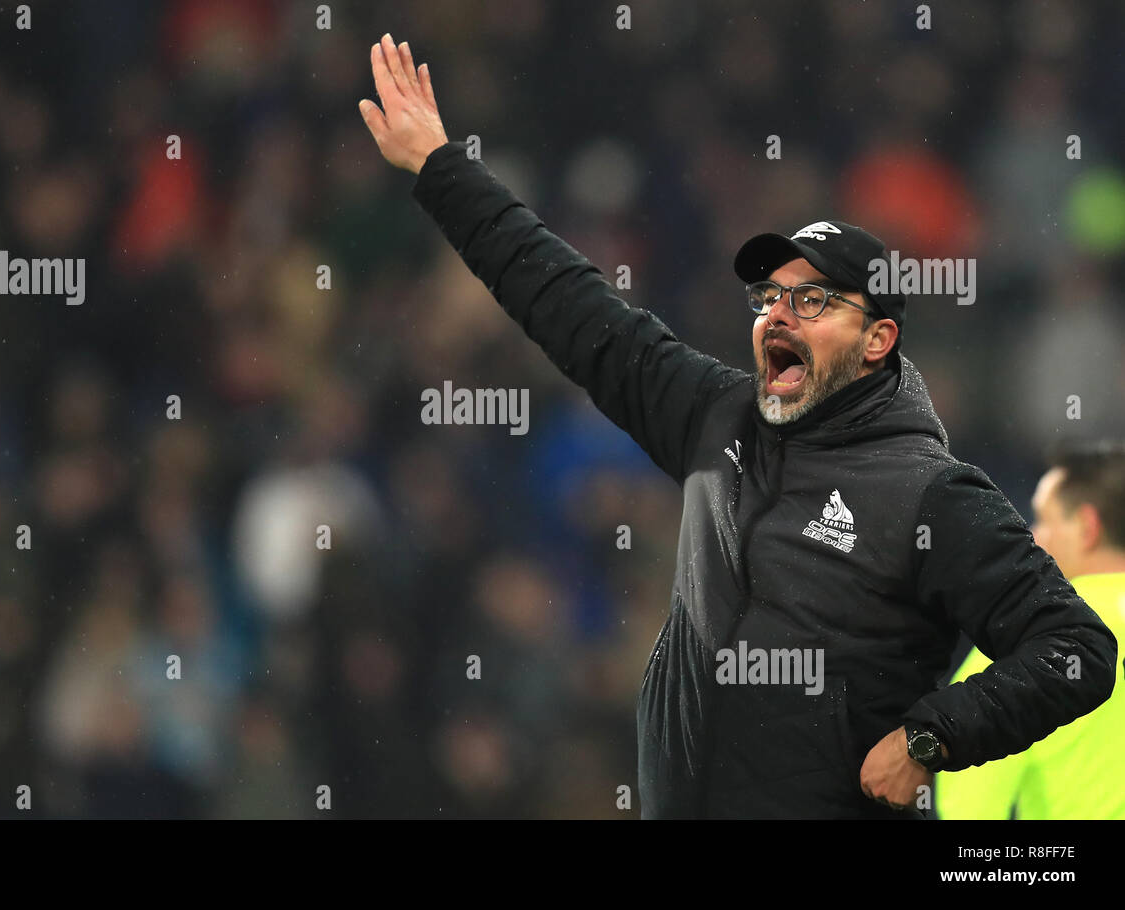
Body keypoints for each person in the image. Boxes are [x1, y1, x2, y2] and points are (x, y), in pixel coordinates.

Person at [358, 33, 1117, 818]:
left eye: (811, 300)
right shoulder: (716, 414)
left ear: (878, 341)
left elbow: (1077, 649)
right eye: (768, 298)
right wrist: (441, 167)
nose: (776, 316)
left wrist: (932, 740)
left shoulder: (931, 497)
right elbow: (572, 306)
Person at [937, 441, 1125, 819]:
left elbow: (968, 800)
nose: (1034, 537)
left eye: (1044, 519)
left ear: (1087, 527)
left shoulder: (1039, 632)